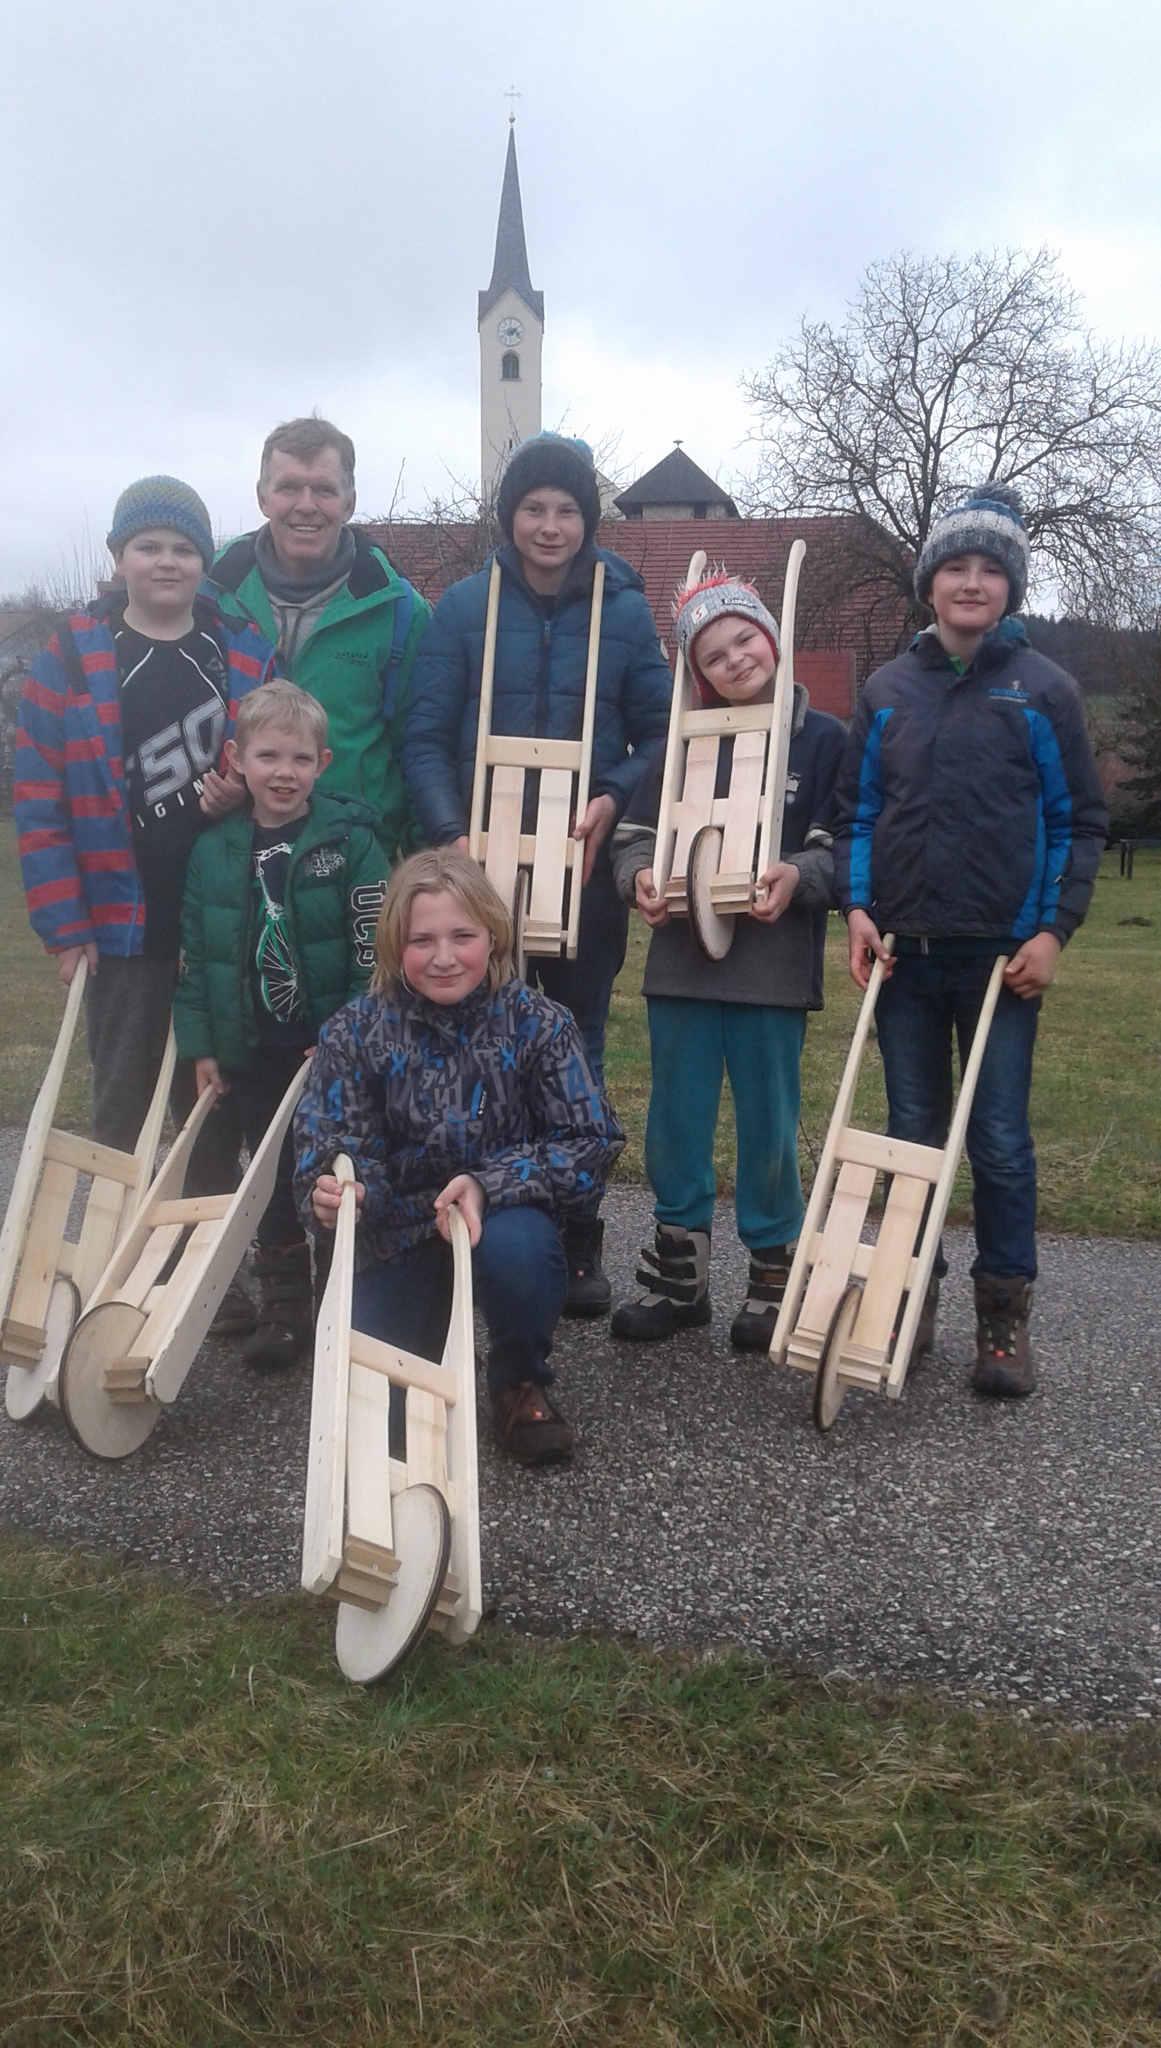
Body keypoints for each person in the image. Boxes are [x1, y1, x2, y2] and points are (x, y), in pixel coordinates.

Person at [833, 483, 1107, 1396]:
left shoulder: (1045, 690)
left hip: (1001, 962)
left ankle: (1002, 1320)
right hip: (904, 957)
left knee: (995, 1139)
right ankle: (908, 1302)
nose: (972, 582)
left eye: (991, 569)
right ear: (928, 580)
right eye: (956, 565)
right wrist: (858, 910)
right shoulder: (885, 689)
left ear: (1010, 587)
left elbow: (1077, 821)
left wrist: (1053, 931)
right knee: (912, 1138)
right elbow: (861, 813)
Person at [400, 433, 672, 1315]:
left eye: (566, 509)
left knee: (573, 1046)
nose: (549, 525)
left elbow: (662, 732)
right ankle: (476, 1217)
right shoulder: (463, 608)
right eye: (533, 508)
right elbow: (427, 736)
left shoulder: (623, 613)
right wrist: (453, 835)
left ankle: (576, 1229)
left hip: (584, 868)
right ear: (509, 517)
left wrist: (612, 794)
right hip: (483, 872)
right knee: (478, 1046)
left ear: (587, 518)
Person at [14, 477, 277, 1265]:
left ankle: (201, 1269)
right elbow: (38, 803)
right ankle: (108, 1255)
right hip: (119, 928)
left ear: (206, 561)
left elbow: (275, 767)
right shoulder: (69, 659)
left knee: (207, 1104)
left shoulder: (241, 650)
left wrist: (242, 792)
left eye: (184, 548)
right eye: (149, 546)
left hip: (216, 922)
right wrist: (63, 928)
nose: (167, 562)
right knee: (121, 1103)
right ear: (118, 557)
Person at [293, 848, 625, 1465]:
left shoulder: (542, 1024)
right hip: (395, 1230)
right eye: (422, 940)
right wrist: (344, 1188)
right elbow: (329, 1138)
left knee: (522, 1255)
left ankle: (518, 1378)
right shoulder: (353, 1031)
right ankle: (418, 1357)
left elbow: (591, 1143)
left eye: (462, 936)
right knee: (380, 1433)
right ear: (394, 945)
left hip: (498, 1221)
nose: (443, 957)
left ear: (493, 936)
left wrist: (489, 1184)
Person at [608, 570, 846, 1347]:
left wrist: (799, 878)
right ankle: (681, 1280)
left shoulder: (823, 738)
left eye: (745, 637)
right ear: (695, 672)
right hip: (681, 963)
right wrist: (638, 878)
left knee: (767, 1124)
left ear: (770, 637)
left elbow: (843, 849)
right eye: (713, 654)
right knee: (674, 1121)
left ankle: (772, 1277)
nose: (735, 658)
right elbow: (633, 838)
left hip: (770, 972)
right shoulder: (679, 741)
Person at [173, 680, 388, 1371]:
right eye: (267, 756)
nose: (283, 772)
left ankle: (342, 1302)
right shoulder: (214, 849)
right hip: (253, 1047)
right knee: (268, 1180)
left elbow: (370, 946)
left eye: (300, 758)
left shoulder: (350, 841)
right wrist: (202, 1044)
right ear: (236, 760)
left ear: (323, 763)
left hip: (327, 1051)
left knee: (330, 1171)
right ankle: (285, 1303)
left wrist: (348, 1034)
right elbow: (196, 955)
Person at [204, 415, 430, 861]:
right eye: (289, 487)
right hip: (225, 867)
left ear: (349, 502)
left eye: (324, 490)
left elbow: (420, 750)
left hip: (354, 867)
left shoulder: (400, 611)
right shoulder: (207, 599)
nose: (306, 505)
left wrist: (429, 868)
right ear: (262, 497)